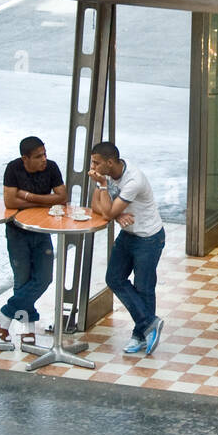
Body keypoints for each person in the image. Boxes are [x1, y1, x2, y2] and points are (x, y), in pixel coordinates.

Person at [89, 141, 165, 356]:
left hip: (148, 238)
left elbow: (107, 212)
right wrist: (115, 213)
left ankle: (140, 334)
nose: (92, 167)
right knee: (114, 278)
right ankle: (150, 323)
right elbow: (98, 208)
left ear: (110, 162)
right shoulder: (104, 175)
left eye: (96, 162)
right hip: (128, 234)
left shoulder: (133, 180)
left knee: (144, 288)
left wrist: (106, 195)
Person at [0, 136, 67, 344]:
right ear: (25, 158)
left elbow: (62, 197)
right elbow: (10, 200)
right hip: (17, 231)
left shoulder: (51, 168)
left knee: (44, 278)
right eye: (38, 156)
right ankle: (27, 329)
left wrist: (29, 197)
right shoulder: (14, 169)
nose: (44, 160)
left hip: (42, 230)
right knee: (22, 281)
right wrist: (45, 201)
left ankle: (4, 315)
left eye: (45, 154)